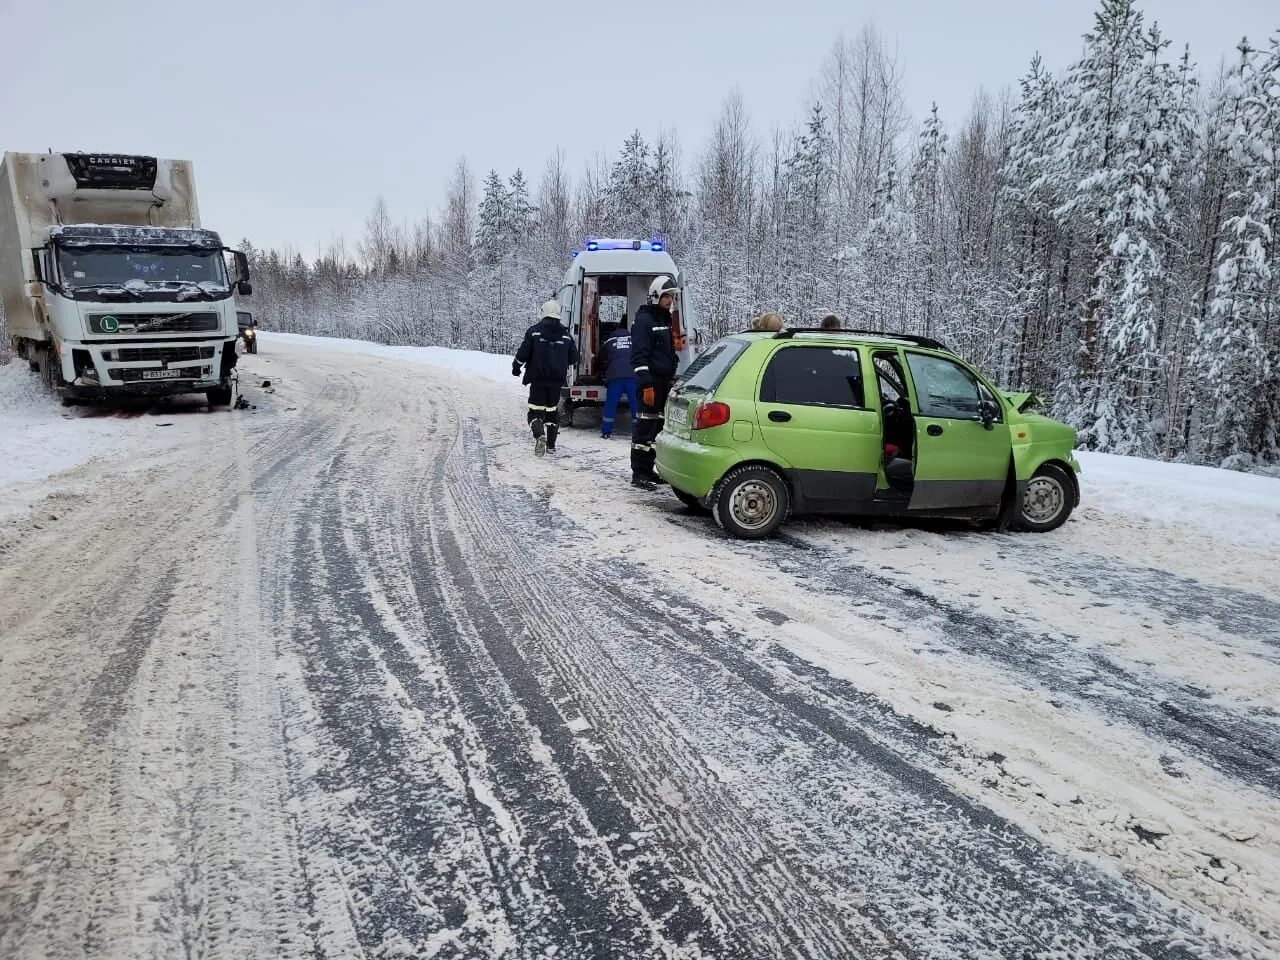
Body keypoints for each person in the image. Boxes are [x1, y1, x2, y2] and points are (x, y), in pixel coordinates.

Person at [630, 276, 681, 488]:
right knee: (645, 428)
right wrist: (646, 385)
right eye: (666, 296)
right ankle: (639, 473)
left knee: (657, 428)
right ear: (655, 297)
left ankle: (649, 470)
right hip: (650, 383)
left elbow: (665, 353)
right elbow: (639, 357)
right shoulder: (645, 321)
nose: (670, 300)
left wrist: (672, 368)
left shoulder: (664, 320)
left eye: (672, 297)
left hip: (663, 382)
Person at [513, 299, 579, 457]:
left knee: (535, 411)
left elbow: (523, 353)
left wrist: (516, 367)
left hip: (538, 378)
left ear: (544, 312)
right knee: (552, 411)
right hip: (557, 380)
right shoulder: (566, 335)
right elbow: (574, 358)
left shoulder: (534, 332)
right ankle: (551, 446)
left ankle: (539, 435)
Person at [598, 315, 636, 439]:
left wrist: (603, 371)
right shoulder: (634, 339)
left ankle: (606, 431)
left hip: (615, 376)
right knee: (635, 404)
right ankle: (637, 431)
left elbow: (601, 357)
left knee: (611, 403)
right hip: (632, 375)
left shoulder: (610, 340)